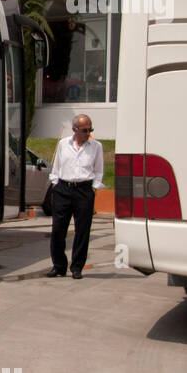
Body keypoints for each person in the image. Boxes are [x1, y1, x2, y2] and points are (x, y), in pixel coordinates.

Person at [46, 114, 104, 279]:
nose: (88, 133)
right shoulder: (64, 144)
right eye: (85, 130)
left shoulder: (96, 146)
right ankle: (59, 266)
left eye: (90, 129)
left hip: (84, 190)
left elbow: (99, 170)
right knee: (58, 230)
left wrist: (94, 188)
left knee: (82, 230)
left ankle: (77, 267)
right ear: (74, 129)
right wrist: (55, 182)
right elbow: (56, 166)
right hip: (63, 188)